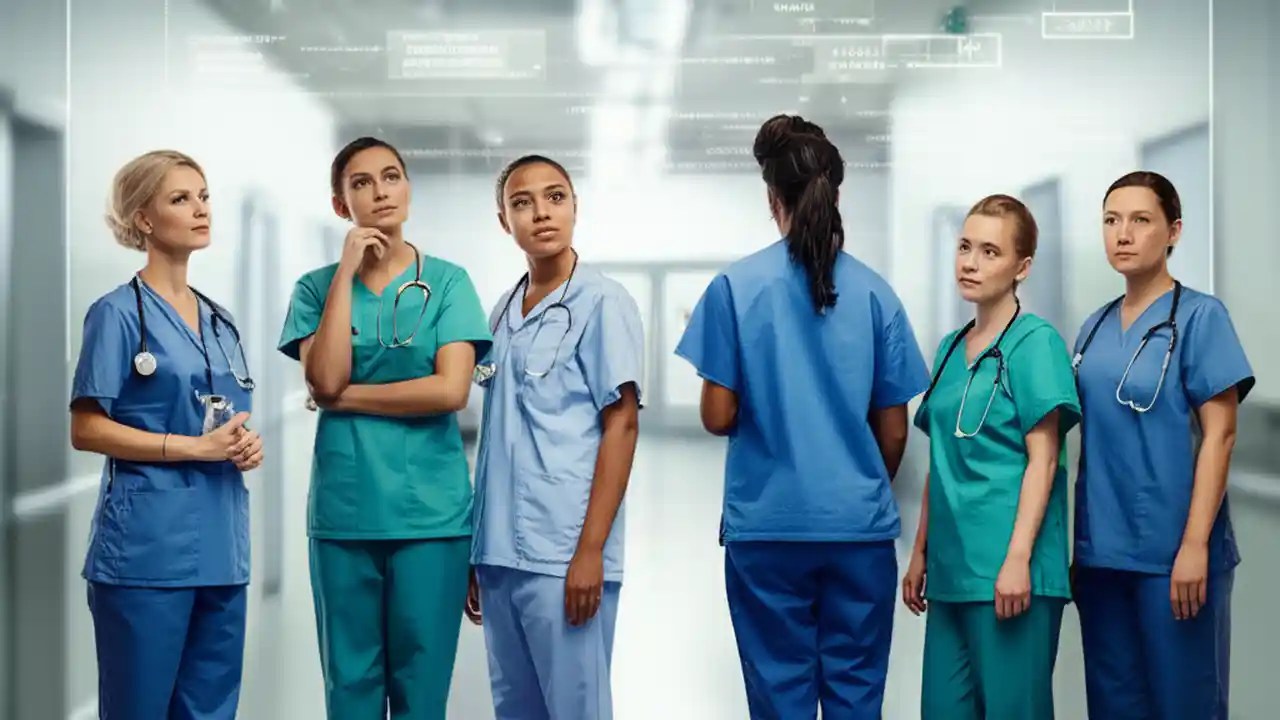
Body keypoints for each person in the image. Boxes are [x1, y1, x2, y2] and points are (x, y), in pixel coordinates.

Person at [673, 115, 931, 718]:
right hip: (857, 530)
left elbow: (717, 415)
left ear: (772, 200)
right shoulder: (875, 293)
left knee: (778, 696)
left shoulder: (735, 288)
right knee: (856, 693)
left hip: (767, 530)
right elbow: (893, 429)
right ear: (835, 193)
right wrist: (854, 485)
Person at [276, 136, 492, 720]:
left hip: (432, 516)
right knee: (350, 686)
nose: (379, 192)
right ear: (341, 204)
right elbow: (324, 377)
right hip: (345, 515)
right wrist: (346, 271)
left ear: (408, 189)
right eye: (361, 183)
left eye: (391, 177)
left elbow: (449, 390)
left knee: (422, 690)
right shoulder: (316, 289)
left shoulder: (448, 282)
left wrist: (345, 399)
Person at [69, 149, 263, 720]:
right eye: (181, 198)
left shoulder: (219, 320)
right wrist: (192, 448)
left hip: (222, 549)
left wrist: (244, 444)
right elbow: (86, 427)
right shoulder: (118, 314)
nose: (201, 209)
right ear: (144, 220)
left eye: (204, 196)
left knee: (211, 712)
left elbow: (227, 416)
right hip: (146, 555)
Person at [465, 154, 644, 720]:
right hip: (499, 555)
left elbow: (623, 423)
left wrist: (590, 551)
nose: (541, 212)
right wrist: (478, 551)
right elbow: (495, 436)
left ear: (574, 207)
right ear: (504, 221)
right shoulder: (500, 313)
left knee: (575, 709)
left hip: (564, 552)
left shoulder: (603, 302)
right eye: (522, 202)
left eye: (555, 196)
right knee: (514, 708)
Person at [1071, 171, 1254, 720]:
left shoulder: (1201, 317)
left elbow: (1221, 434)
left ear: (1173, 231)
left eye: (1140, 220)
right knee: (1113, 705)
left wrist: (1195, 545)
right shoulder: (1093, 328)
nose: (1122, 234)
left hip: (1174, 556)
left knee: (1185, 704)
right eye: (1111, 220)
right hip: (1102, 555)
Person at [901, 194, 1079, 719]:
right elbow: (942, 461)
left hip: (1011, 569)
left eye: (989, 252)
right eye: (964, 247)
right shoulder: (951, 349)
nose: (970, 262)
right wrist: (919, 552)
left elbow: (1044, 460)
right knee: (942, 709)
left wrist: (1019, 558)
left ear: (1022, 267)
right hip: (953, 570)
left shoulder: (1036, 344)